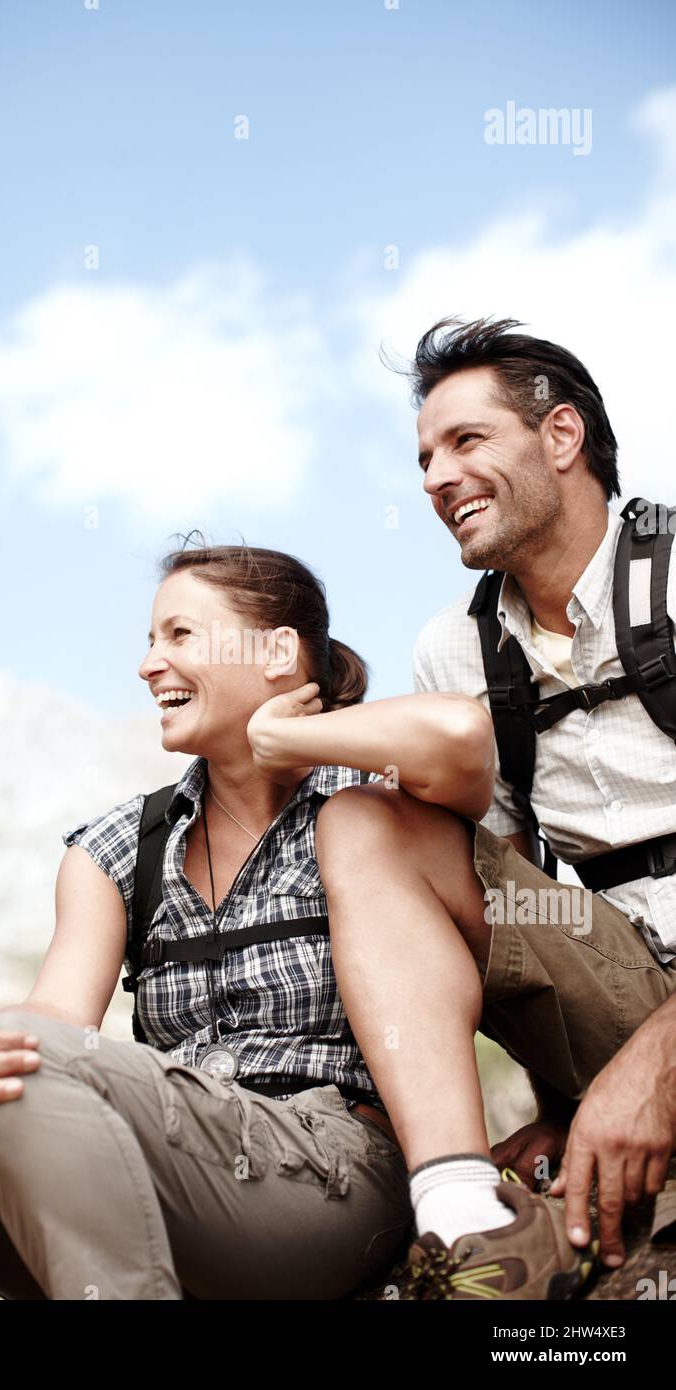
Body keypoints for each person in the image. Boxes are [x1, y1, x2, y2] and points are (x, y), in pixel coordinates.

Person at [0, 540, 492, 1301]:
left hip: (329, 1170)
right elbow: (54, 1021)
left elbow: (462, 738)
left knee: (28, 1059)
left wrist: (284, 740)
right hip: (156, 1170)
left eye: (179, 635)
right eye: (148, 641)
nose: (147, 665)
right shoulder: (114, 850)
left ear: (276, 653)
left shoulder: (377, 801)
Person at [253, 318, 676, 1299]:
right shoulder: (455, 652)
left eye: (465, 441)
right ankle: (455, 1204)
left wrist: (650, 1071)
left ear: (561, 439)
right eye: (423, 457)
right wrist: (572, 1098)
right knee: (363, 821)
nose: (434, 476)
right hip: (620, 965)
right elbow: (509, 911)